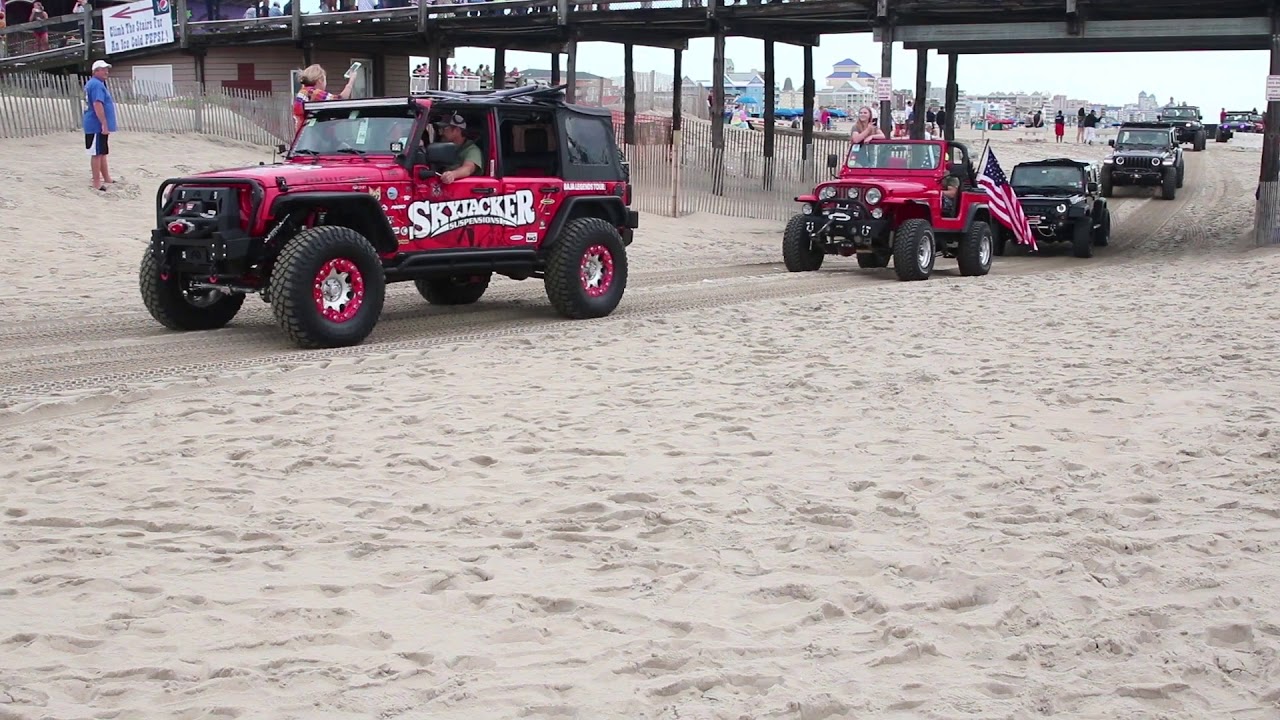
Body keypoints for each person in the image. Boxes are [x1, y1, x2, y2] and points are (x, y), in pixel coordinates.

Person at [83, 60, 117, 192]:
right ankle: (96, 182)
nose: (106, 71)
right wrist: (104, 123)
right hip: (95, 124)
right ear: (96, 71)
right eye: (103, 69)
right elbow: (97, 104)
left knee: (102, 152)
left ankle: (106, 177)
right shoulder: (96, 85)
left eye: (107, 69)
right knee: (96, 153)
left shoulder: (98, 84)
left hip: (98, 124)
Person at [292, 63, 356, 133]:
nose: (326, 83)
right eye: (325, 79)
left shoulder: (303, 92)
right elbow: (340, 99)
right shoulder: (313, 93)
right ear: (320, 80)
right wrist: (351, 81)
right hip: (309, 135)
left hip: (303, 134)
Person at [435, 112, 483, 184]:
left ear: (457, 130)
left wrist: (452, 175)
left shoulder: (472, 150)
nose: (440, 133)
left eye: (444, 129)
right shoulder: (448, 148)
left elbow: (468, 169)